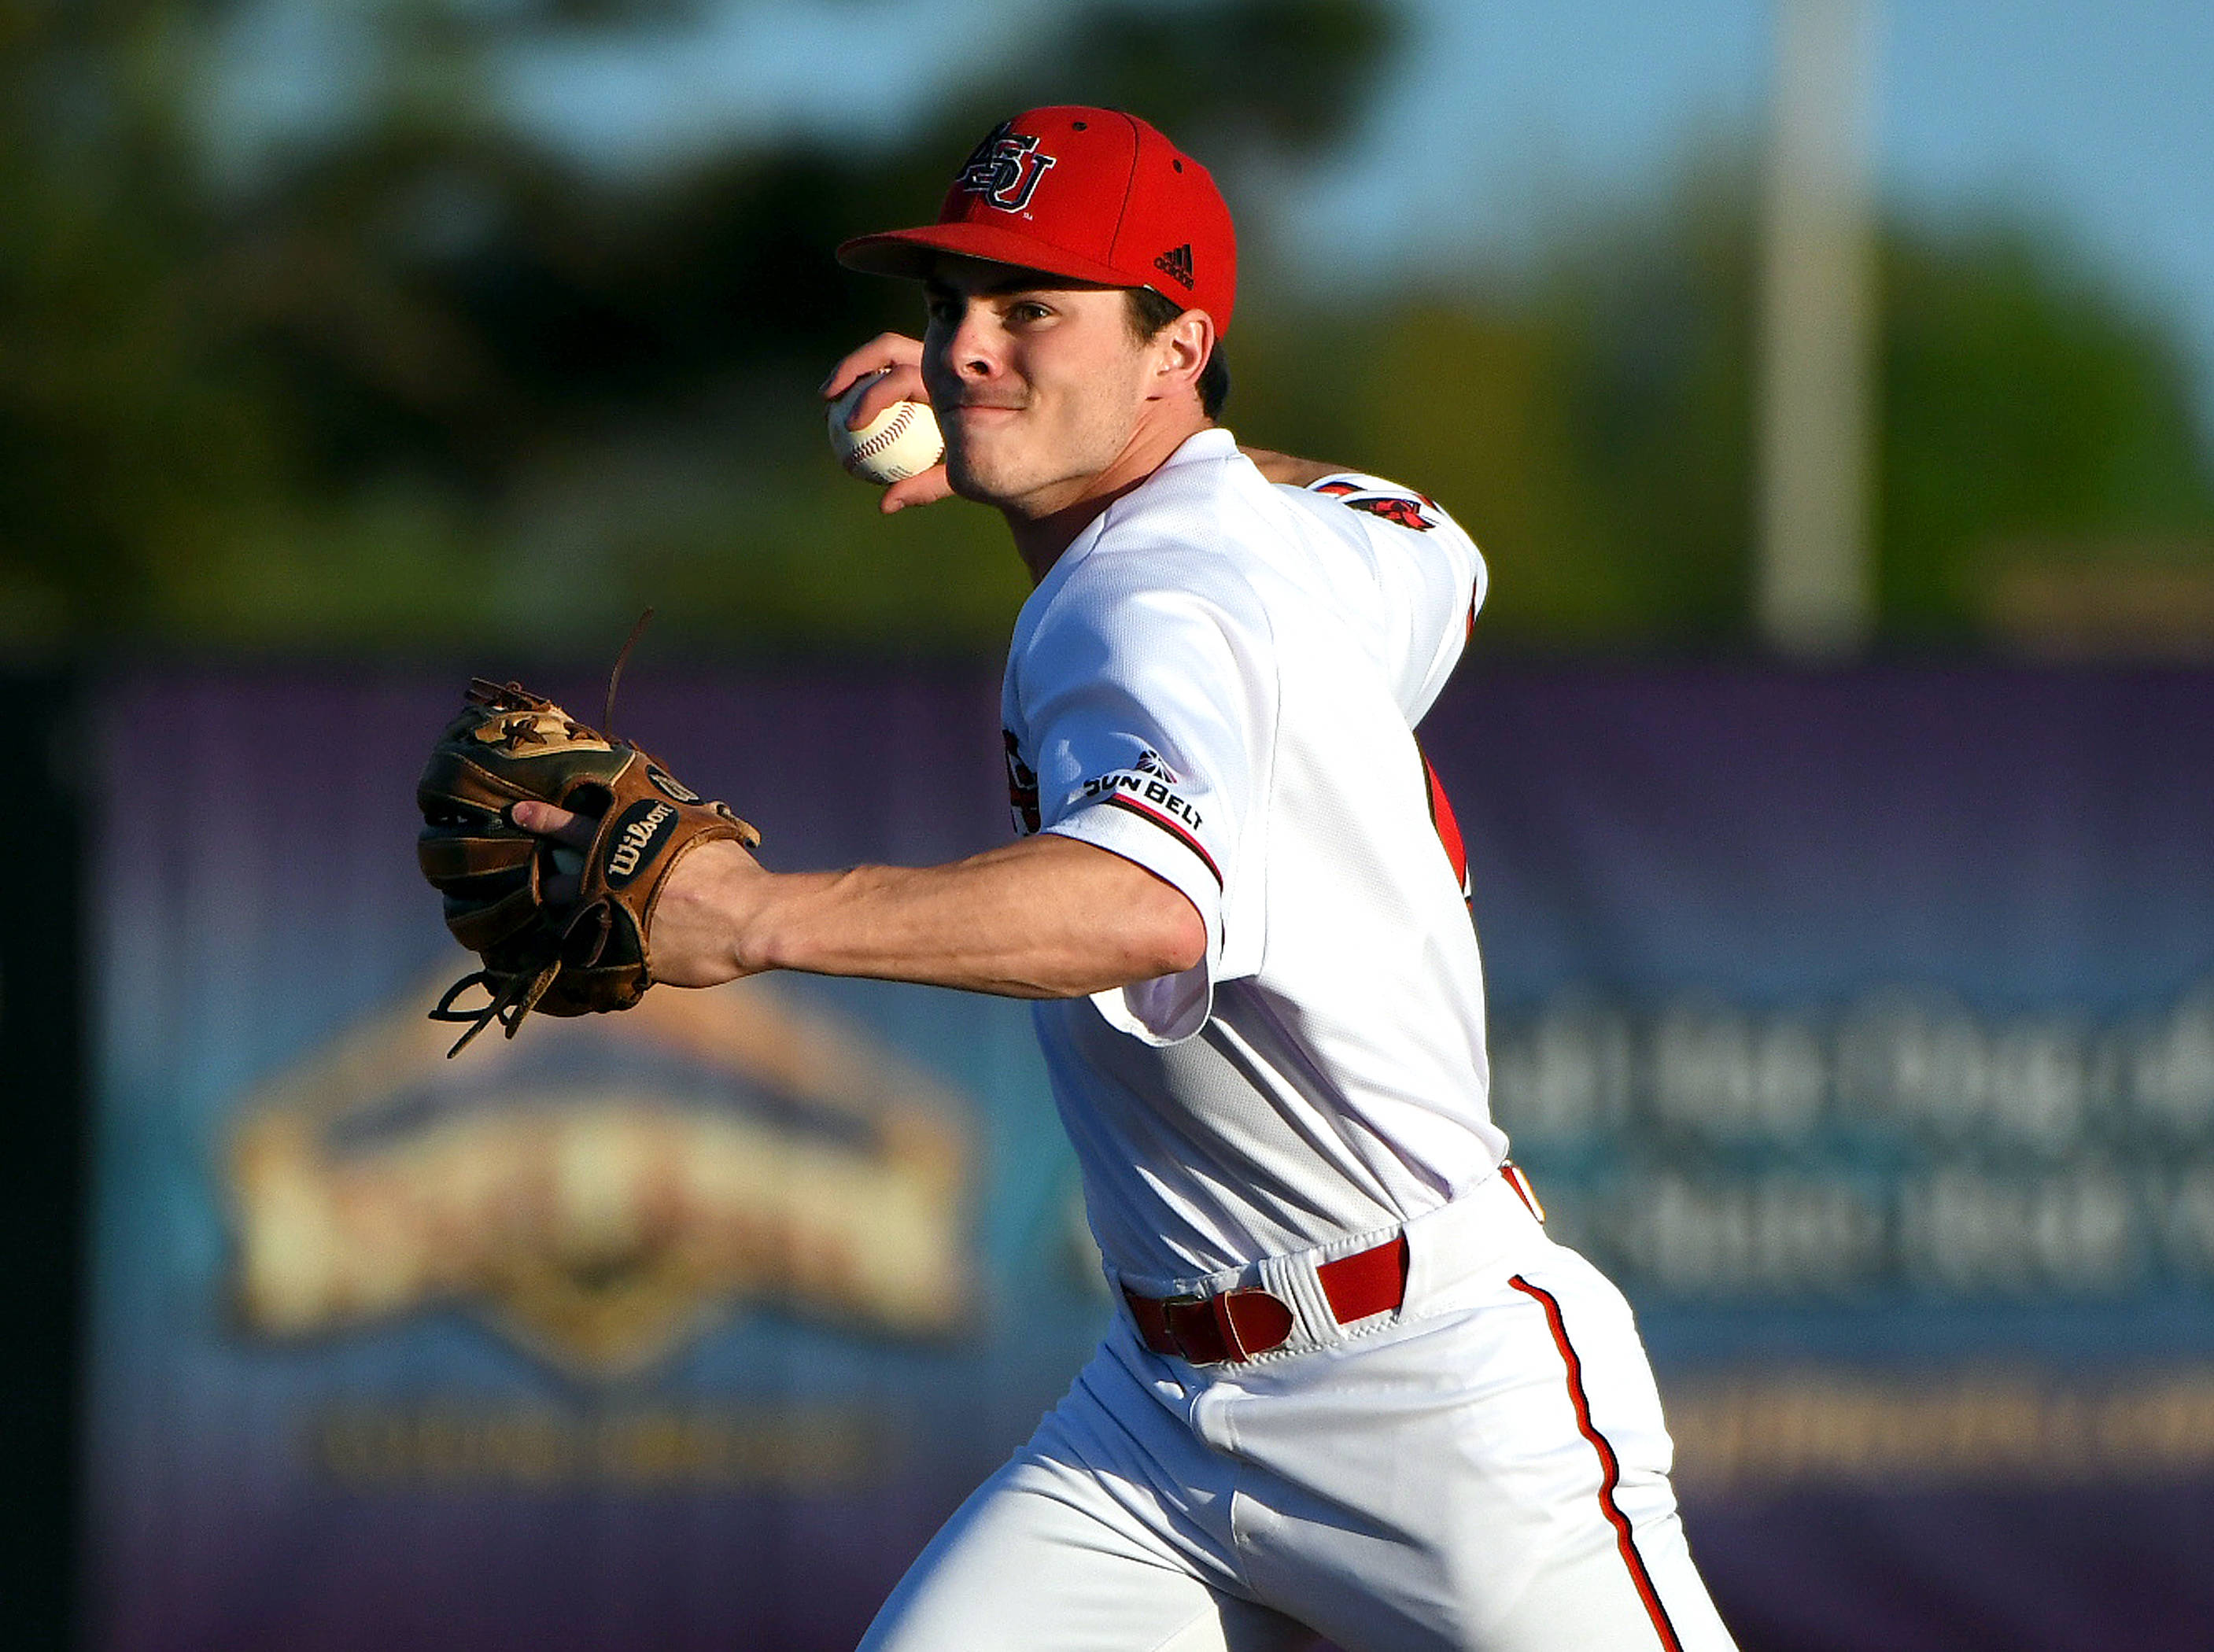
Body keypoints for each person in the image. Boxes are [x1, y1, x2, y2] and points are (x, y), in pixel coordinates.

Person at [517, 105, 1738, 1652]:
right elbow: (1439, 543)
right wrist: (1046, 418)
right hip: (1160, 1421)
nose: (966, 347)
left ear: (1177, 346)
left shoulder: (1148, 601)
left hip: (1434, 1403)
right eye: (954, 304)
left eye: (1034, 310)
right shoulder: (1288, 539)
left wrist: (759, 915)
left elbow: (1151, 900)